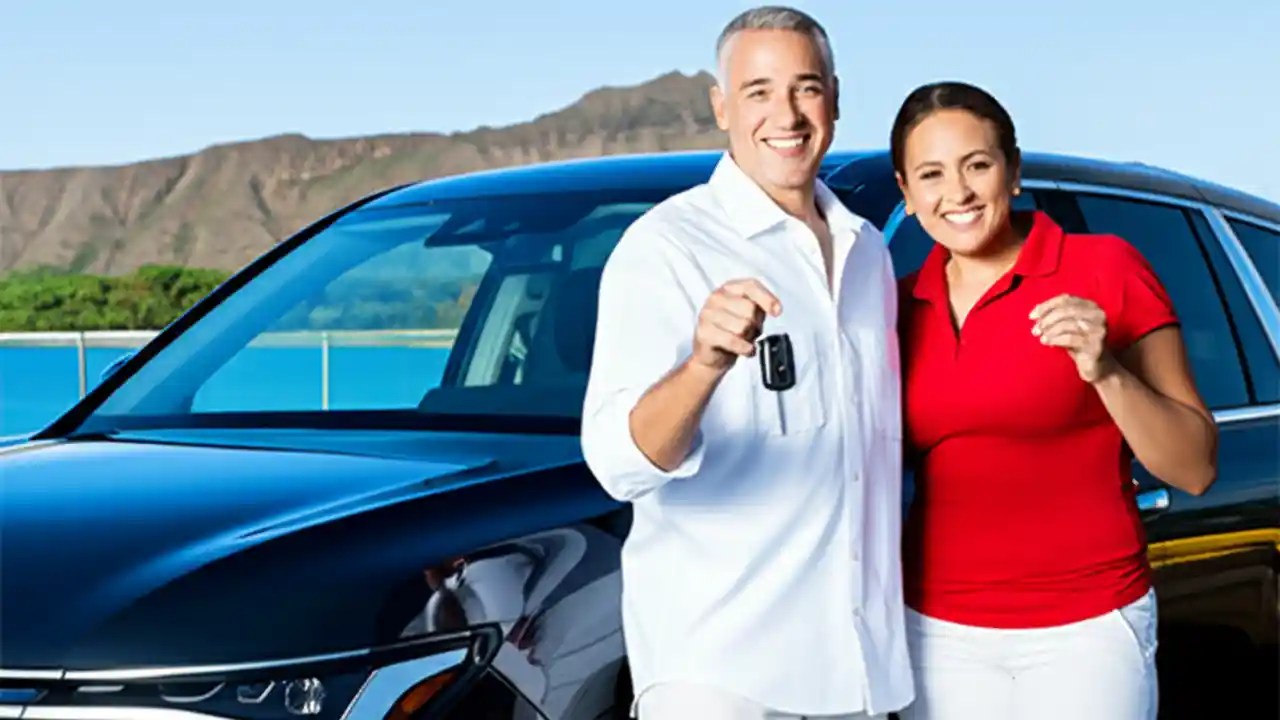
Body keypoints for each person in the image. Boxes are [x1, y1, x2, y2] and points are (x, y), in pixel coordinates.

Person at [580, 6, 913, 720]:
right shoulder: (667, 247)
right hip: (720, 677)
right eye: (759, 91)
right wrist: (703, 365)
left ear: (835, 97)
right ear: (721, 107)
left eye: (806, 87)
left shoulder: (869, 255)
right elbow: (618, 462)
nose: (786, 114)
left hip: (856, 674)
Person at [891, 80, 1218, 720]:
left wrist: (1107, 372)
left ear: (1013, 172)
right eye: (930, 174)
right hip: (936, 633)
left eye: (977, 165)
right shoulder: (896, 304)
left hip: (1087, 630)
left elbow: (1195, 467)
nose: (955, 193)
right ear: (906, 194)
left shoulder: (1105, 268)